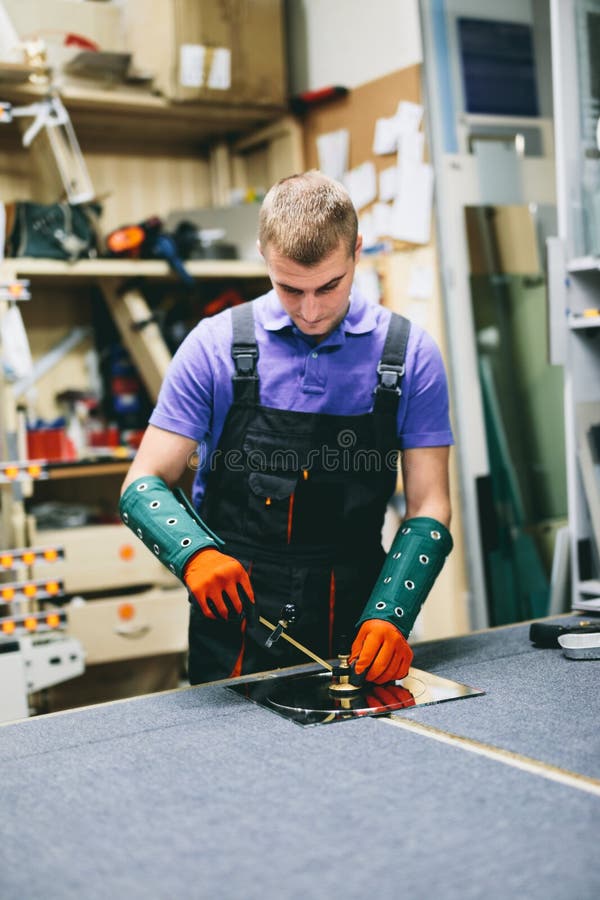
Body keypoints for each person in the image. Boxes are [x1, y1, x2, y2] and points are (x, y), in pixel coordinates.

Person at [119, 171, 453, 687]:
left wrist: (394, 612)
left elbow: (430, 503)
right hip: (235, 615)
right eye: (290, 288)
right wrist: (192, 552)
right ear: (263, 256)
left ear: (357, 251)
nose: (311, 311)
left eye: (329, 286)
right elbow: (142, 482)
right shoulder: (213, 347)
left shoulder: (410, 355)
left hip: (359, 612)